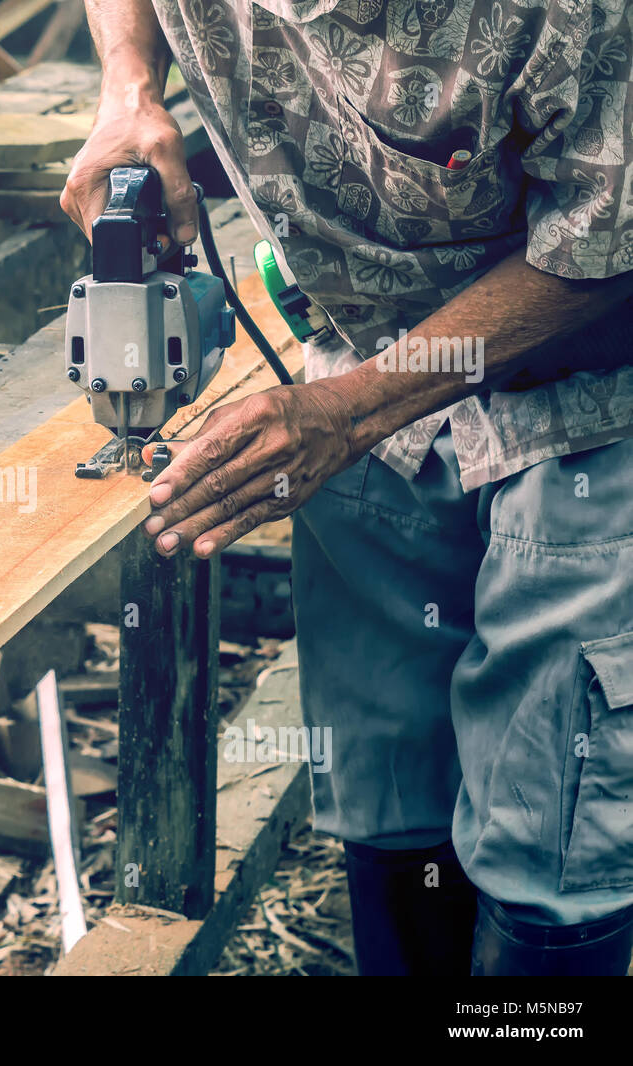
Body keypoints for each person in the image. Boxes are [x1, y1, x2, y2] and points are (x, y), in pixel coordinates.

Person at [61, 0, 633, 975]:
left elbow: (604, 244)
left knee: (556, 836)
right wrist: (129, 88)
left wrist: (351, 413)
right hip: (353, 374)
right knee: (388, 783)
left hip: (581, 403)